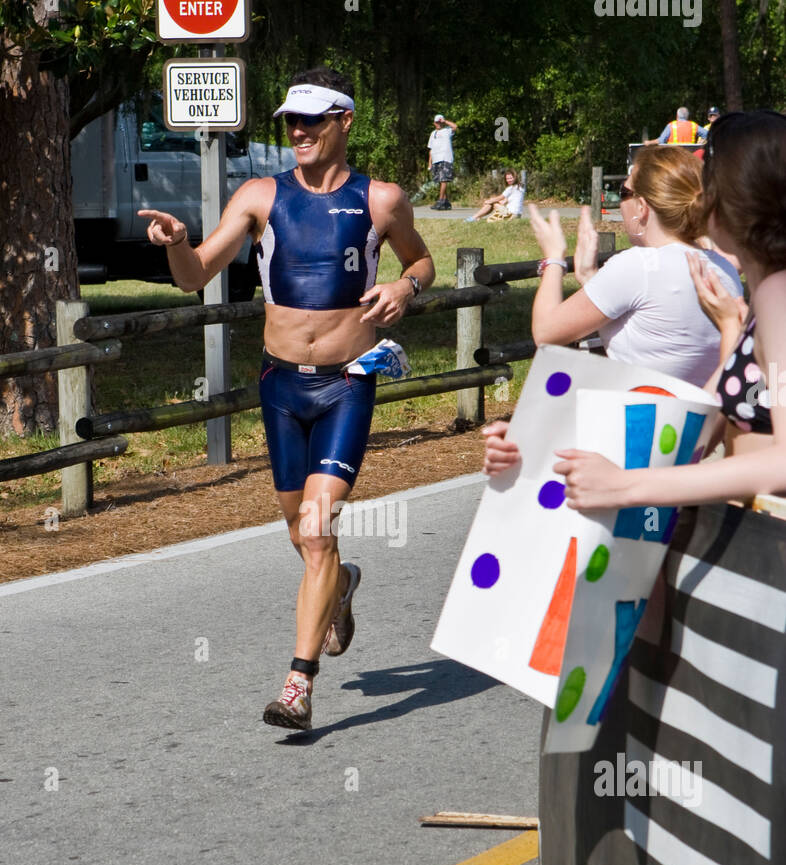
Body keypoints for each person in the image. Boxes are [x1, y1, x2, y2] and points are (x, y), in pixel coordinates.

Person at [139, 68, 434, 732]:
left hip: (347, 384)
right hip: (280, 387)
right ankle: (341, 585)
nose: (298, 132)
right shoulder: (259, 196)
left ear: (345, 122)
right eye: (290, 122)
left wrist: (405, 290)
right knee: (300, 533)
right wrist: (178, 244)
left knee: (318, 529)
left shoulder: (380, 200)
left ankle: (297, 686)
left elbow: (421, 261)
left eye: (313, 120)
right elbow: (194, 278)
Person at [483, 110, 786, 517]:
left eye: (709, 181)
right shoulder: (753, 294)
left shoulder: (777, 296)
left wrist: (628, 486)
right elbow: (692, 428)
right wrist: (537, 440)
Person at [519, 144, 743, 386]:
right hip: (698, 420)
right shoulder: (724, 269)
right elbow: (648, 321)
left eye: (623, 192)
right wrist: (589, 276)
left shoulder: (638, 266)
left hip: (642, 419)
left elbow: (544, 332)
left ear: (642, 208)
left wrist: (553, 258)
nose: (619, 201)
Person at [427, 113, 458, 209]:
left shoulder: (447, 131)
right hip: (436, 159)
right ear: (434, 123)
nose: (438, 124)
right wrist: (430, 163)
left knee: (444, 179)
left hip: (445, 157)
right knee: (439, 181)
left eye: (440, 122)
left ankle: (440, 201)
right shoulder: (433, 134)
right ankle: (445, 202)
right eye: (437, 122)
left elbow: (455, 126)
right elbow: (430, 149)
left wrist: (445, 121)